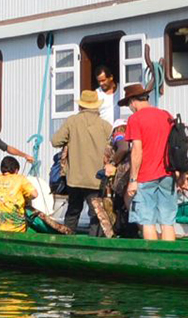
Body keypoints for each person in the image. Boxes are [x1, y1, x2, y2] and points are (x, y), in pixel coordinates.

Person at [121, 84, 179, 241]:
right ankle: (170, 259)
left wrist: (133, 180)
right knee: (168, 223)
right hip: (168, 174)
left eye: (128, 104)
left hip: (146, 176)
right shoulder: (166, 115)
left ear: (133, 101)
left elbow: (136, 151)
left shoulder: (135, 119)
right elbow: (175, 146)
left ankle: (153, 260)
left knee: (148, 222)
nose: (130, 108)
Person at [51, 89, 112, 232]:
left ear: (81, 106)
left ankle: (67, 242)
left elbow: (55, 141)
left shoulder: (72, 121)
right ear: (97, 106)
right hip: (96, 179)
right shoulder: (104, 125)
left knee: (73, 211)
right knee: (96, 214)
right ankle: (95, 245)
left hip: (75, 178)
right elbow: (116, 143)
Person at [91, 122, 131, 237]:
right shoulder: (134, 137)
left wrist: (113, 163)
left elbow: (123, 148)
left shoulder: (119, 134)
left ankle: (120, 232)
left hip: (122, 178)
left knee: (120, 207)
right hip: (133, 176)